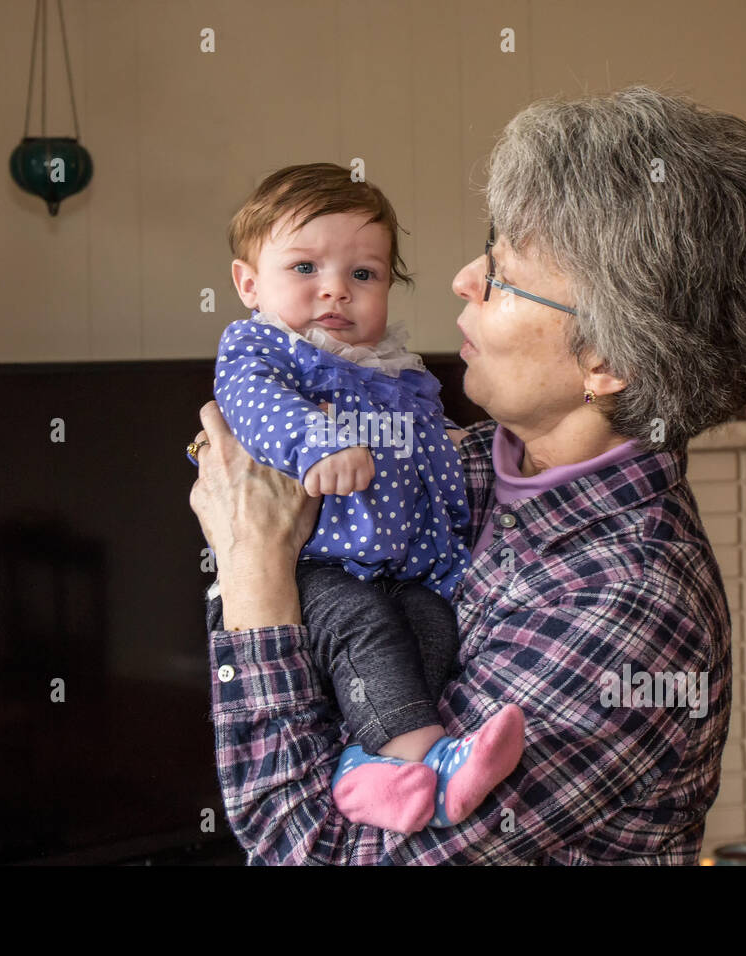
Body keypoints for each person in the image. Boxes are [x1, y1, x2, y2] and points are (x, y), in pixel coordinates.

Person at [189, 87, 746, 864]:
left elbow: (315, 853)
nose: (462, 278)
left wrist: (253, 574)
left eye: (506, 275)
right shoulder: (465, 463)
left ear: (608, 361)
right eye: (489, 247)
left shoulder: (624, 614)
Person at [202, 163, 526, 834]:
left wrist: (454, 543)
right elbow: (257, 409)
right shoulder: (263, 348)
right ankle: (426, 761)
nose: (335, 293)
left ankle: (362, 763)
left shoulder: (395, 371)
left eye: (363, 275)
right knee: (363, 627)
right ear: (247, 283)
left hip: (399, 569)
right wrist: (317, 445)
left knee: (435, 626)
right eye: (304, 268)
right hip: (314, 570)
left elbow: (433, 457)